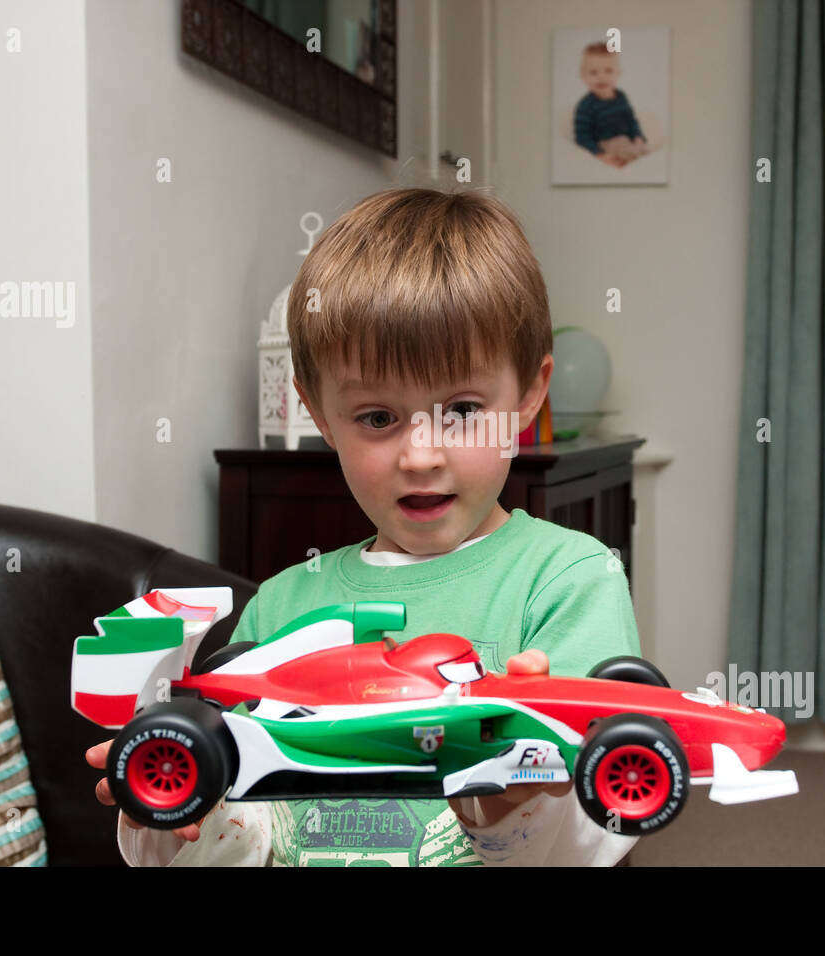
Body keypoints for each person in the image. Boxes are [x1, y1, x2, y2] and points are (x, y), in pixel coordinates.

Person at [86, 186, 642, 866]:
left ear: (528, 395)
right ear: (319, 413)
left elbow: (604, 829)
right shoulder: (284, 603)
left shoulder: (567, 579)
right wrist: (173, 819)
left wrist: (512, 804)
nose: (421, 455)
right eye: (378, 418)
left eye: (462, 410)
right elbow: (248, 839)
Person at [573, 42, 649, 168]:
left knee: (644, 150)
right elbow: (582, 137)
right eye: (593, 72)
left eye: (608, 71)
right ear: (583, 76)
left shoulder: (621, 96)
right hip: (606, 143)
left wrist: (637, 136)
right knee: (626, 153)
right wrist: (599, 154)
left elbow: (631, 120)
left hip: (626, 140)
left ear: (618, 73)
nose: (601, 77)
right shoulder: (586, 106)